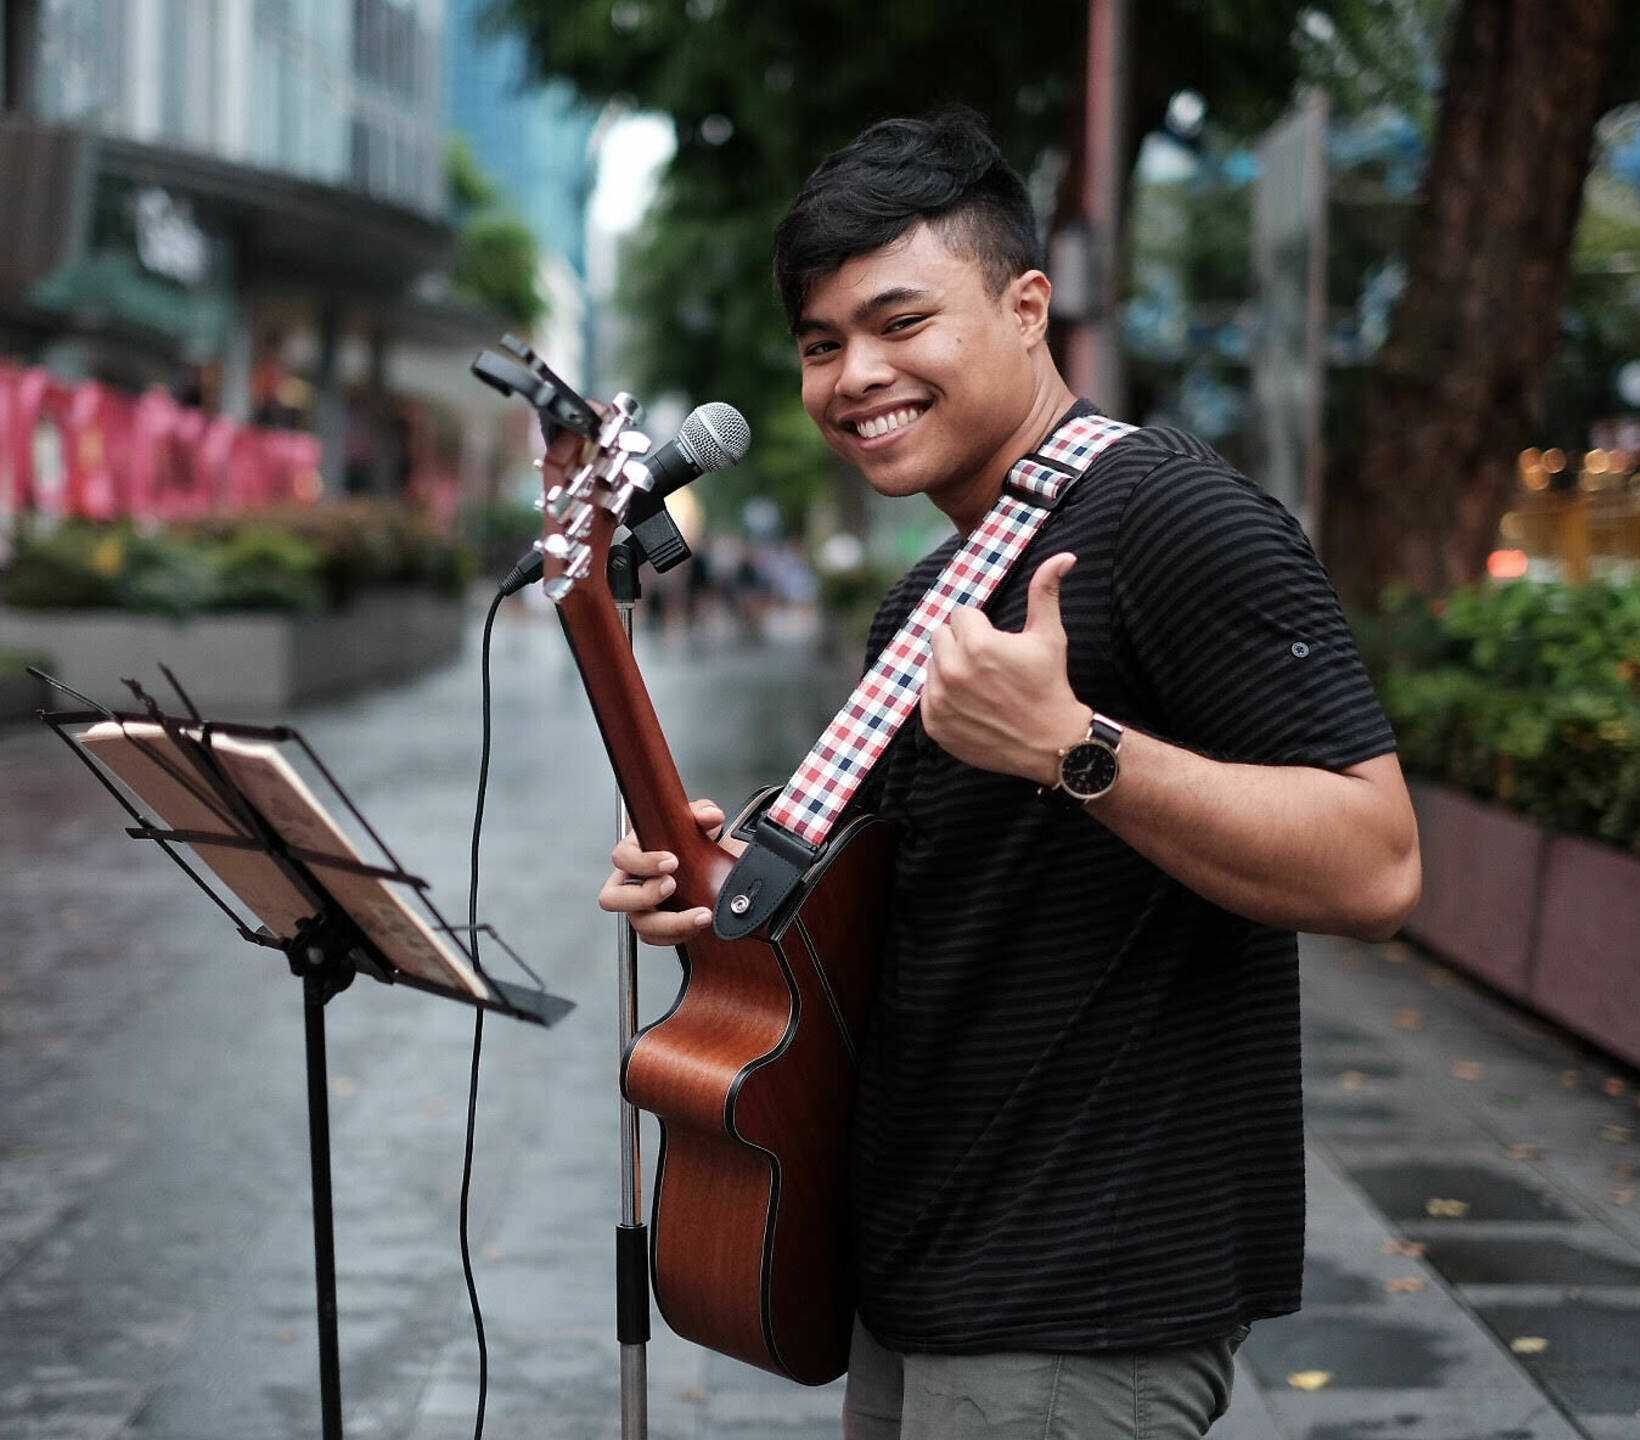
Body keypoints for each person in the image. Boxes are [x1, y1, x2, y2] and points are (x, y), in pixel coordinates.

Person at [594, 109, 1420, 1440]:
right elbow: (909, 909)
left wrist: (1072, 748)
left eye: (900, 322)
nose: (856, 374)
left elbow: (1376, 863)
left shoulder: (1175, 518)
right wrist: (714, 881)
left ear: (1028, 307)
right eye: (821, 343)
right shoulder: (930, 593)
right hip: (920, 1275)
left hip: (1078, 1296)